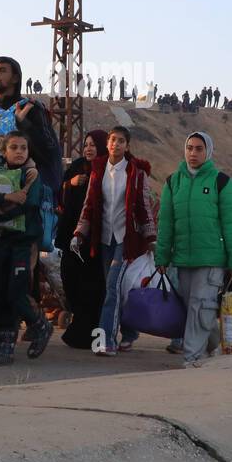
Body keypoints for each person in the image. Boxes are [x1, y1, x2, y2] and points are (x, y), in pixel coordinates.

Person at [155, 133, 232, 367]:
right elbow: (165, 223)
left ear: (208, 152)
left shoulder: (221, 182)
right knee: (194, 308)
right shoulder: (173, 182)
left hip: (211, 259)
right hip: (183, 259)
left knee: (199, 306)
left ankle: (192, 358)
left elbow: (231, 225)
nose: (193, 153)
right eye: (189, 148)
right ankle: (213, 343)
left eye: (199, 149)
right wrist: (162, 256)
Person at [71, 126, 157, 355]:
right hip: (104, 238)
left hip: (126, 239)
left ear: (127, 146)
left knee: (112, 288)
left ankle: (106, 340)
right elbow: (89, 204)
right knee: (116, 289)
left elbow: (145, 208)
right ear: (107, 143)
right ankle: (129, 332)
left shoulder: (136, 173)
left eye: (120, 141)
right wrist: (80, 233)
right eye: (112, 140)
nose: (115, 144)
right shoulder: (98, 169)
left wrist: (151, 238)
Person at [0, 130, 52, 366]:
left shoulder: (31, 175)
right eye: (14, 148)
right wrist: (5, 199)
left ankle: (38, 326)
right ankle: (1, 344)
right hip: (0, 240)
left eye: (23, 148)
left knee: (16, 292)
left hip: (22, 242)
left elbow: (27, 204)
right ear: (5, 150)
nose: (19, 152)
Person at [58, 129, 109, 348]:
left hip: (94, 239)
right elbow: (58, 193)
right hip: (72, 236)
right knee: (70, 279)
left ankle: (88, 332)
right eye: (86, 144)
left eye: (93, 145)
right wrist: (70, 184)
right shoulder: (76, 167)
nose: (88, 148)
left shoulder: (107, 169)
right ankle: (79, 326)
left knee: (91, 286)